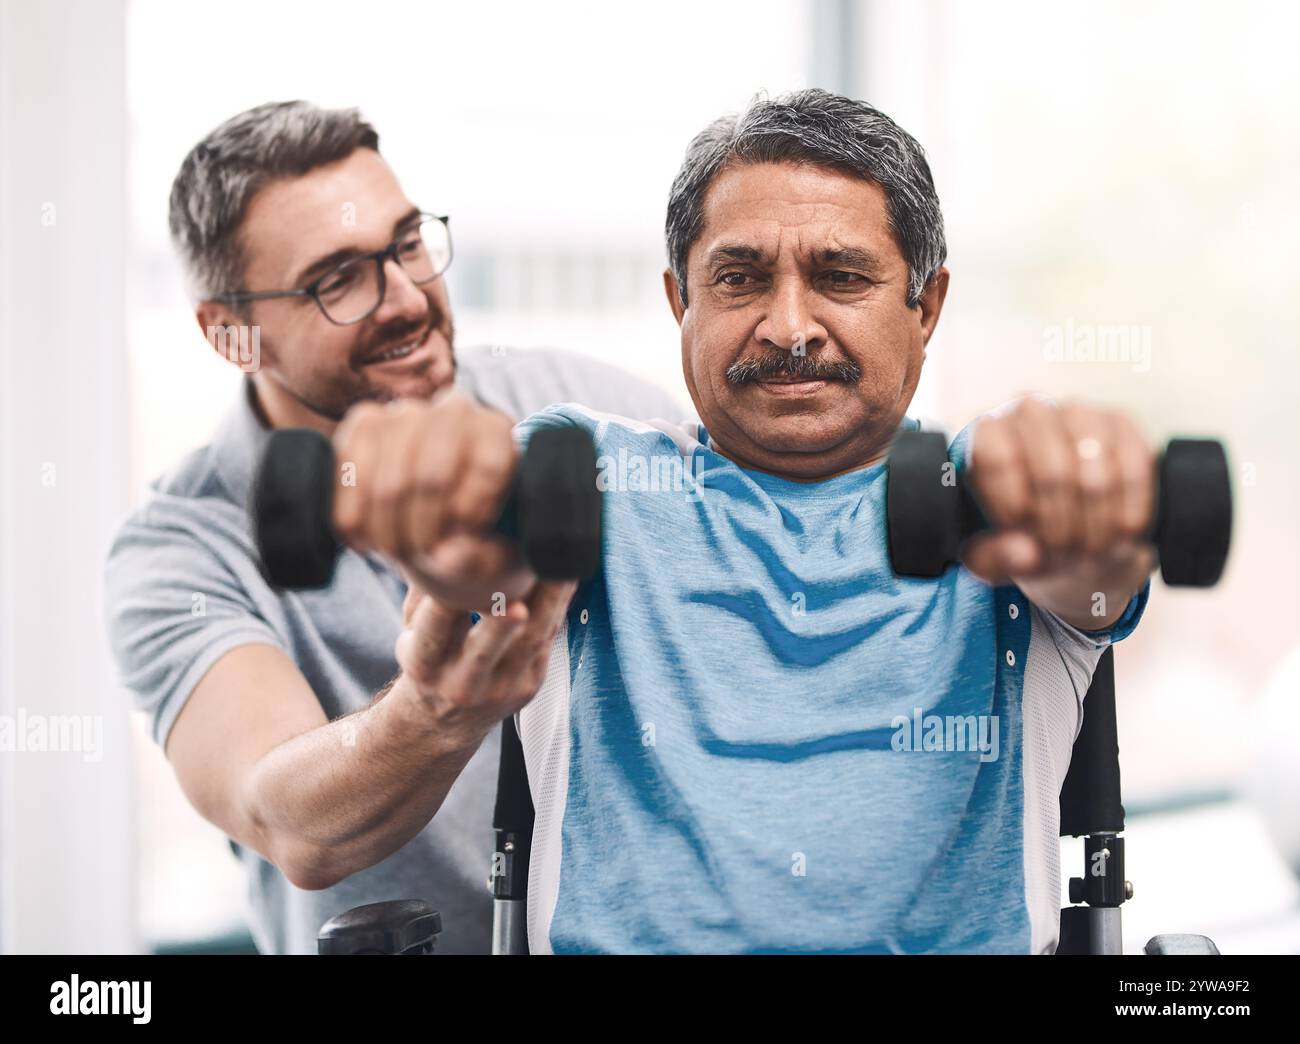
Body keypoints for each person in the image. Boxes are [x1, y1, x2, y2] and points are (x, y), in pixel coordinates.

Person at [328, 89, 1159, 954]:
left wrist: (1082, 500)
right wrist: (435, 514)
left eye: (841, 277)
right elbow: (488, 548)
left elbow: (1089, 565)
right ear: (679, 300)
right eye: (740, 279)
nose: (791, 326)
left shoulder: (992, 494)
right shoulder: (590, 477)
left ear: (926, 307)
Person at [103, 101, 685, 955]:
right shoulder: (178, 553)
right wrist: (438, 707)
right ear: (230, 335)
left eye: (409, 244)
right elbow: (290, 819)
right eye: (337, 279)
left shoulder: (598, 417)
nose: (409, 299)